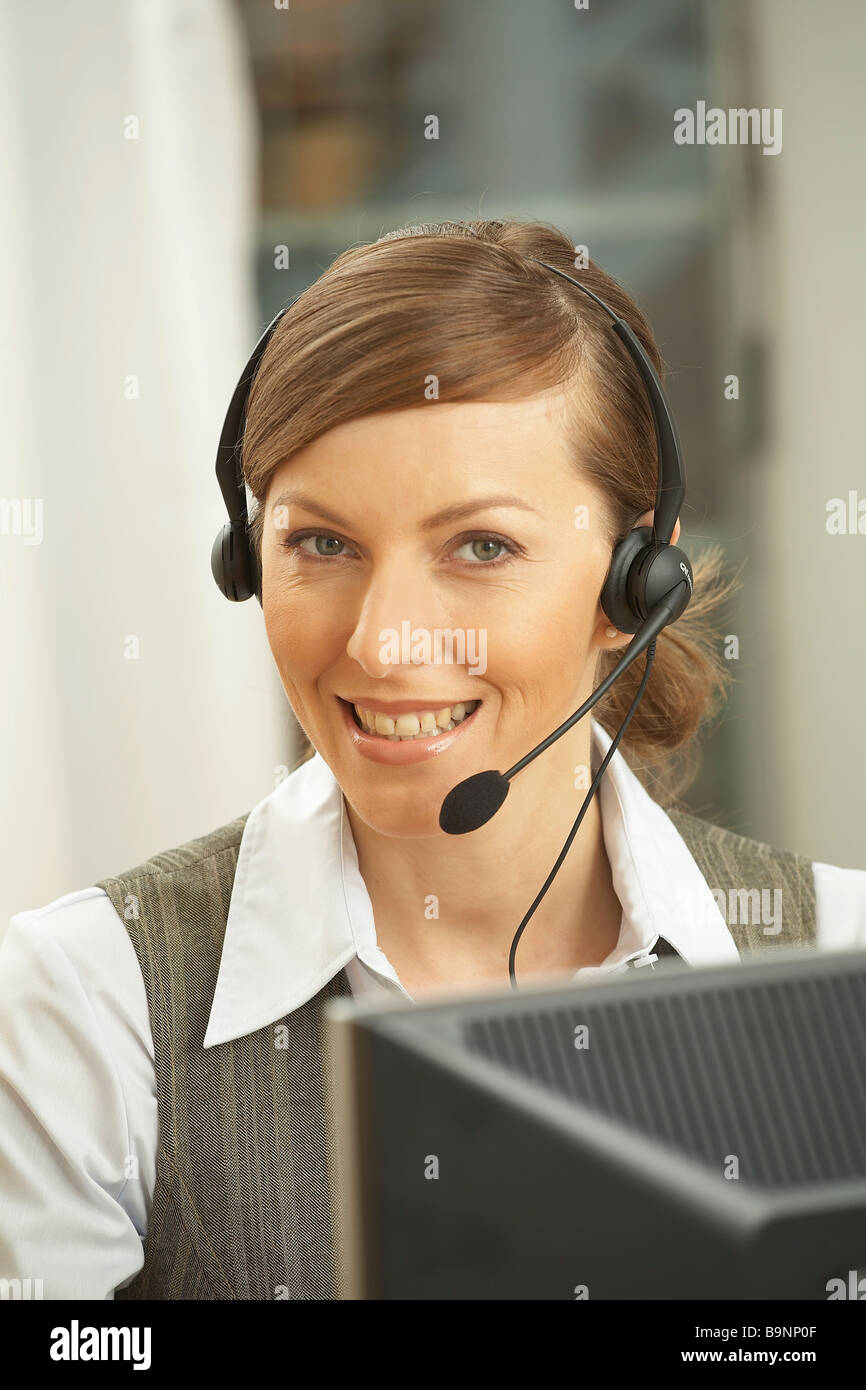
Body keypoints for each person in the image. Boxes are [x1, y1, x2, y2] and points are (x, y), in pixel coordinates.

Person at [1, 219, 864, 1300]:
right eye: (320, 543)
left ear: (633, 584)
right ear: (245, 560)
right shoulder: (88, 998)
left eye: (481, 547)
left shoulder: (839, 955)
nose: (380, 641)